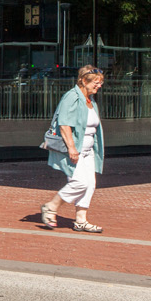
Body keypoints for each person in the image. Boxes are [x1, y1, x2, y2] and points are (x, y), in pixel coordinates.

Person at [40, 65, 107, 233]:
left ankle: (81, 220)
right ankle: (51, 206)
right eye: (96, 82)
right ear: (84, 81)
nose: (99, 86)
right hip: (74, 150)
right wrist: (72, 148)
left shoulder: (90, 100)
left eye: (100, 83)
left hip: (88, 150)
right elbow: (64, 124)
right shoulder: (72, 97)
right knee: (79, 183)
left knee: (90, 184)